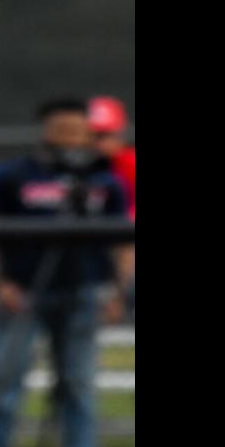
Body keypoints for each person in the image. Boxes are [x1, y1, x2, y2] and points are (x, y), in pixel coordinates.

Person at [0, 97, 127, 447]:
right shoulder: (12, 176)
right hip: (20, 293)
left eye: (78, 129)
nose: (72, 137)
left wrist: (118, 291)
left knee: (77, 383)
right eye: (63, 128)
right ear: (45, 129)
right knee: (6, 379)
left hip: (82, 292)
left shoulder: (103, 181)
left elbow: (122, 242)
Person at [88, 95, 135, 324]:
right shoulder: (86, 168)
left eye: (105, 135)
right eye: (94, 136)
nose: (99, 142)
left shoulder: (129, 164)